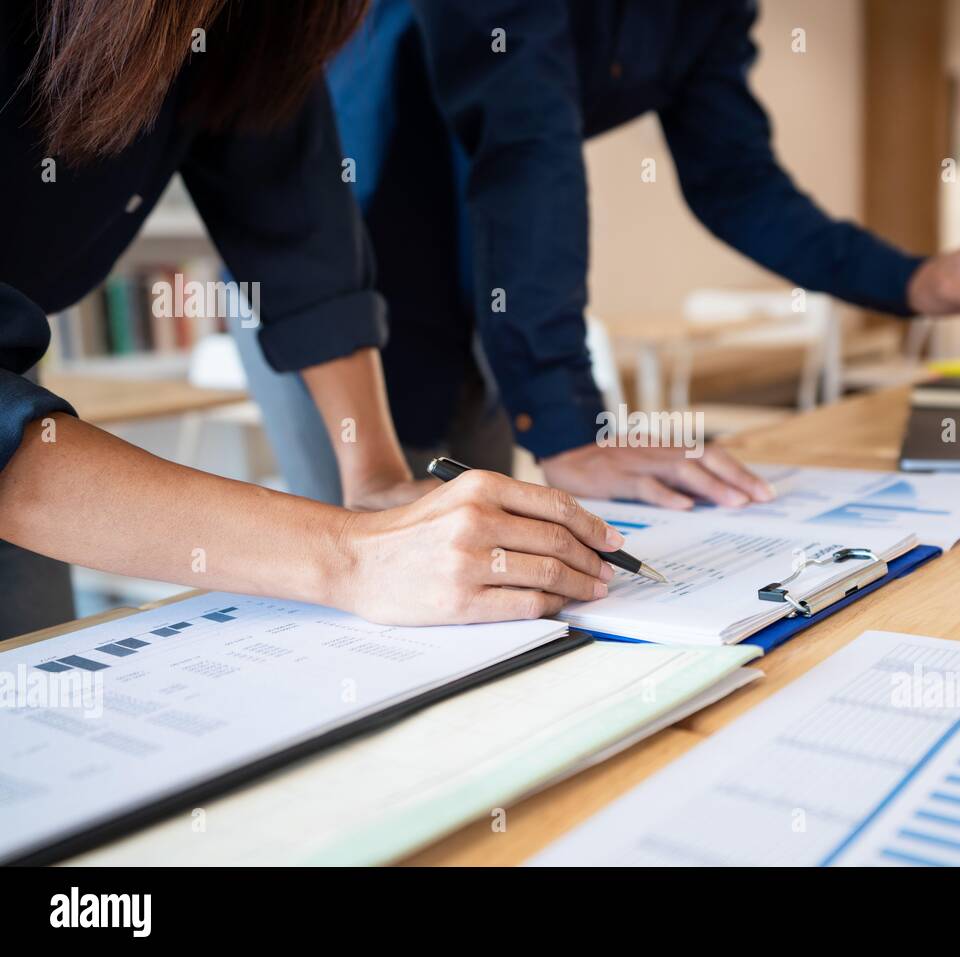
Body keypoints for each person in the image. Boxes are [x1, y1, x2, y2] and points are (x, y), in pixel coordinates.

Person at [229, 0, 960, 511]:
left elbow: (736, 181)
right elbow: (526, 143)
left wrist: (909, 279)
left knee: (475, 575)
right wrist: (568, 424)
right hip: (335, 288)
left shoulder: (706, 13)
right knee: (372, 569)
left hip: (490, 294)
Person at [0, 0, 624, 640]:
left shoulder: (245, 24)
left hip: (17, 368)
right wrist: (353, 556)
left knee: (30, 639)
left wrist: (375, 478)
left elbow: (300, 234)